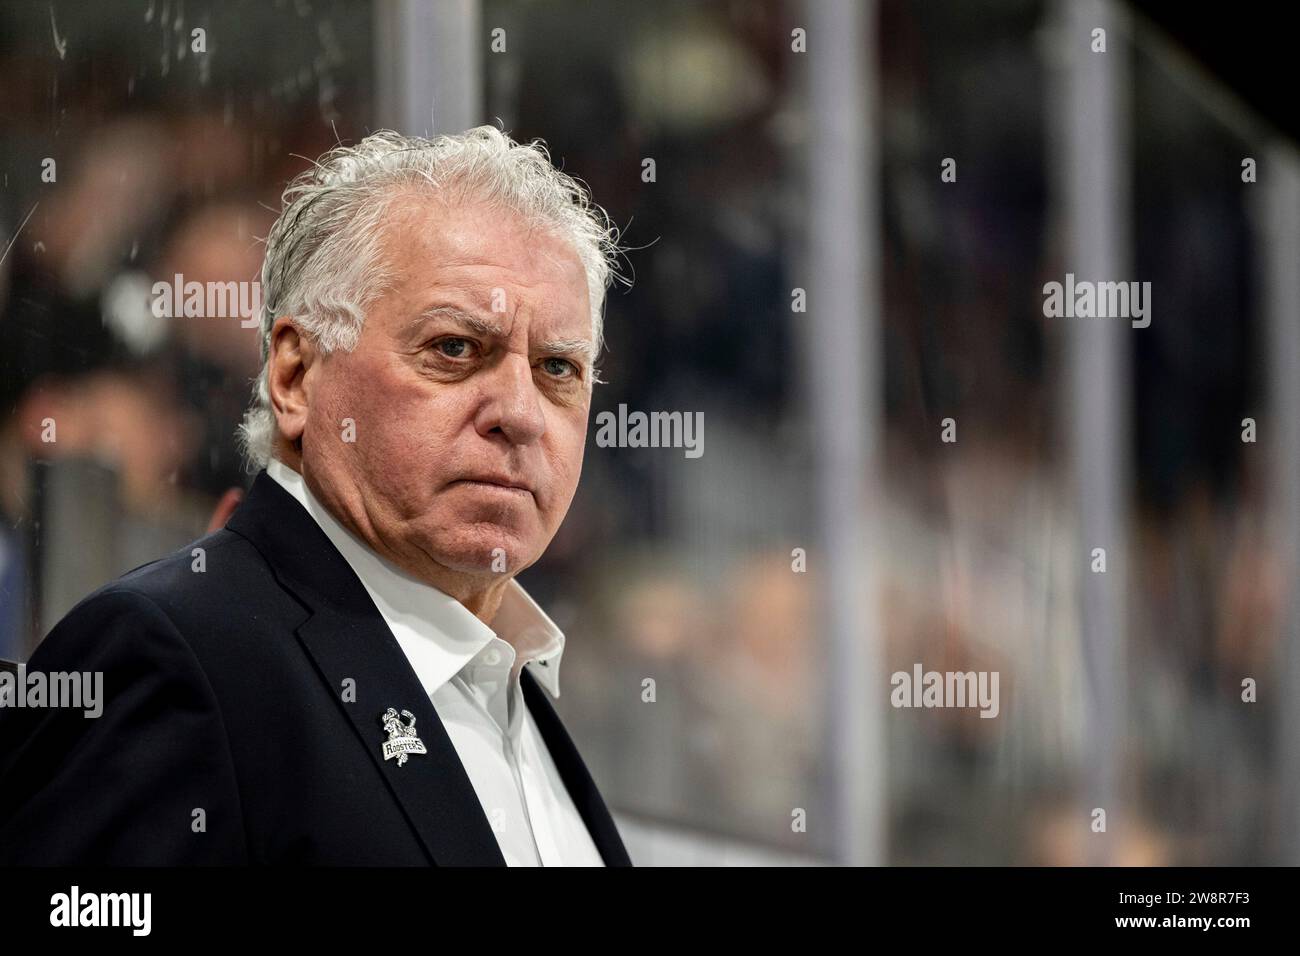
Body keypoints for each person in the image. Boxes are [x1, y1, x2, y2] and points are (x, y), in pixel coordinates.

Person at [0, 126, 632, 866]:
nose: (521, 413)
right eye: (456, 349)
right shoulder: (169, 656)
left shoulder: (514, 689)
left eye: (558, 367)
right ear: (297, 376)